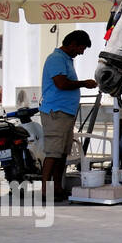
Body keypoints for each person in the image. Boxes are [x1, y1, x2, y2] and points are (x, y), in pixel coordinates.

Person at [39, 30, 98, 201]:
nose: (81, 52)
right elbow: (61, 84)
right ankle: (45, 190)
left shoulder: (66, 60)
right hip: (56, 112)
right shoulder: (56, 58)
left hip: (65, 113)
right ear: (72, 44)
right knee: (53, 152)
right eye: (81, 48)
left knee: (62, 153)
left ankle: (58, 187)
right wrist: (84, 84)